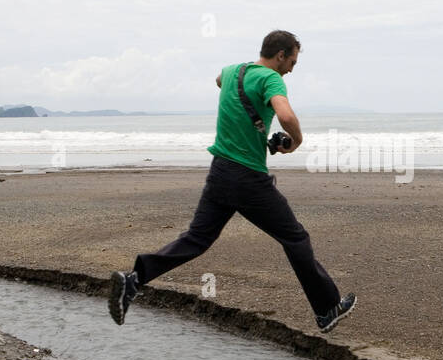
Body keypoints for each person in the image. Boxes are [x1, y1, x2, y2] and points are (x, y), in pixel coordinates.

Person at [108, 30, 357, 332]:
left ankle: (133, 279)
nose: (292, 68)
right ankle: (327, 309)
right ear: (280, 55)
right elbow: (286, 115)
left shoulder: (231, 72)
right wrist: (297, 141)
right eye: (292, 61)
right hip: (247, 179)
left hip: (220, 172)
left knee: (196, 239)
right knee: (296, 238)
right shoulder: (271, 79)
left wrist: (256, 132)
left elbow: (218, 82)